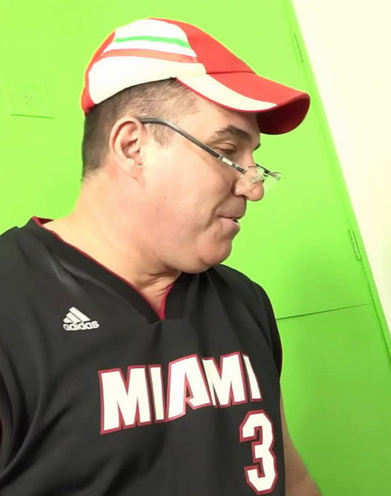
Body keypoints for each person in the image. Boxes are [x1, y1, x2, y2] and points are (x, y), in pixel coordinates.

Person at [0, 17, 321, 496]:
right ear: (133, 147)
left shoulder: (244, 301)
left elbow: (292, 479)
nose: (253, 187)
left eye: (255, 161)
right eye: (227, 149)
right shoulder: (10, 305)